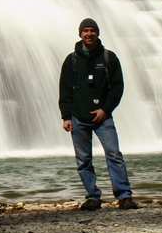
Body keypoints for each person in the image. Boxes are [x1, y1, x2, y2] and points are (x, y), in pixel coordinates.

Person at [59, 18, 139, 211]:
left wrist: (105, 110)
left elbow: (117, 88)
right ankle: (93, 197)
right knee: (83, 160)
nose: (89, 34)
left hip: (103, 117)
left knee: (114, 154)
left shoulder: (109, 58)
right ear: (80, 34)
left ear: (97, 33)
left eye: (92, 30)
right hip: (78, 117)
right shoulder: (71, 60)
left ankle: (124, 196)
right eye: (85, 31)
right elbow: (65, 89)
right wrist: (66, 116)